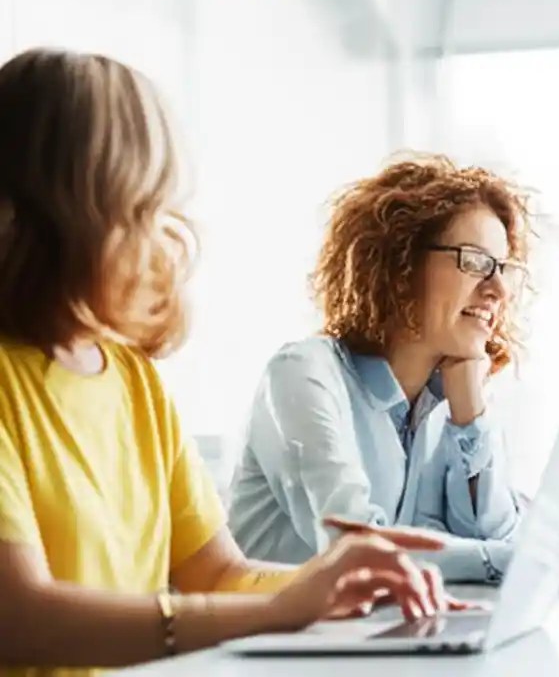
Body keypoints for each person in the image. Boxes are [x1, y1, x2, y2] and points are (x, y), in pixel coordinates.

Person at [0, 49, 457, 677]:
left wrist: (336, 585)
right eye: (144, 206)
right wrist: (279, 610)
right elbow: (21, 620)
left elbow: (215, 573)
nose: (165, 233)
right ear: (72, 213)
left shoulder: (132, 378)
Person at [228, 154, 559, 582]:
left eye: (503, 268)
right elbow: (355, 547)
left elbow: (487, 528)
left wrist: (471, 412)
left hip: (379, 638)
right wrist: (538, 554)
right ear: (398, 267)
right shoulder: (303, 375)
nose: (499, 290)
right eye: (474, 262)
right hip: (276, 642)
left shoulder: (440, 399)